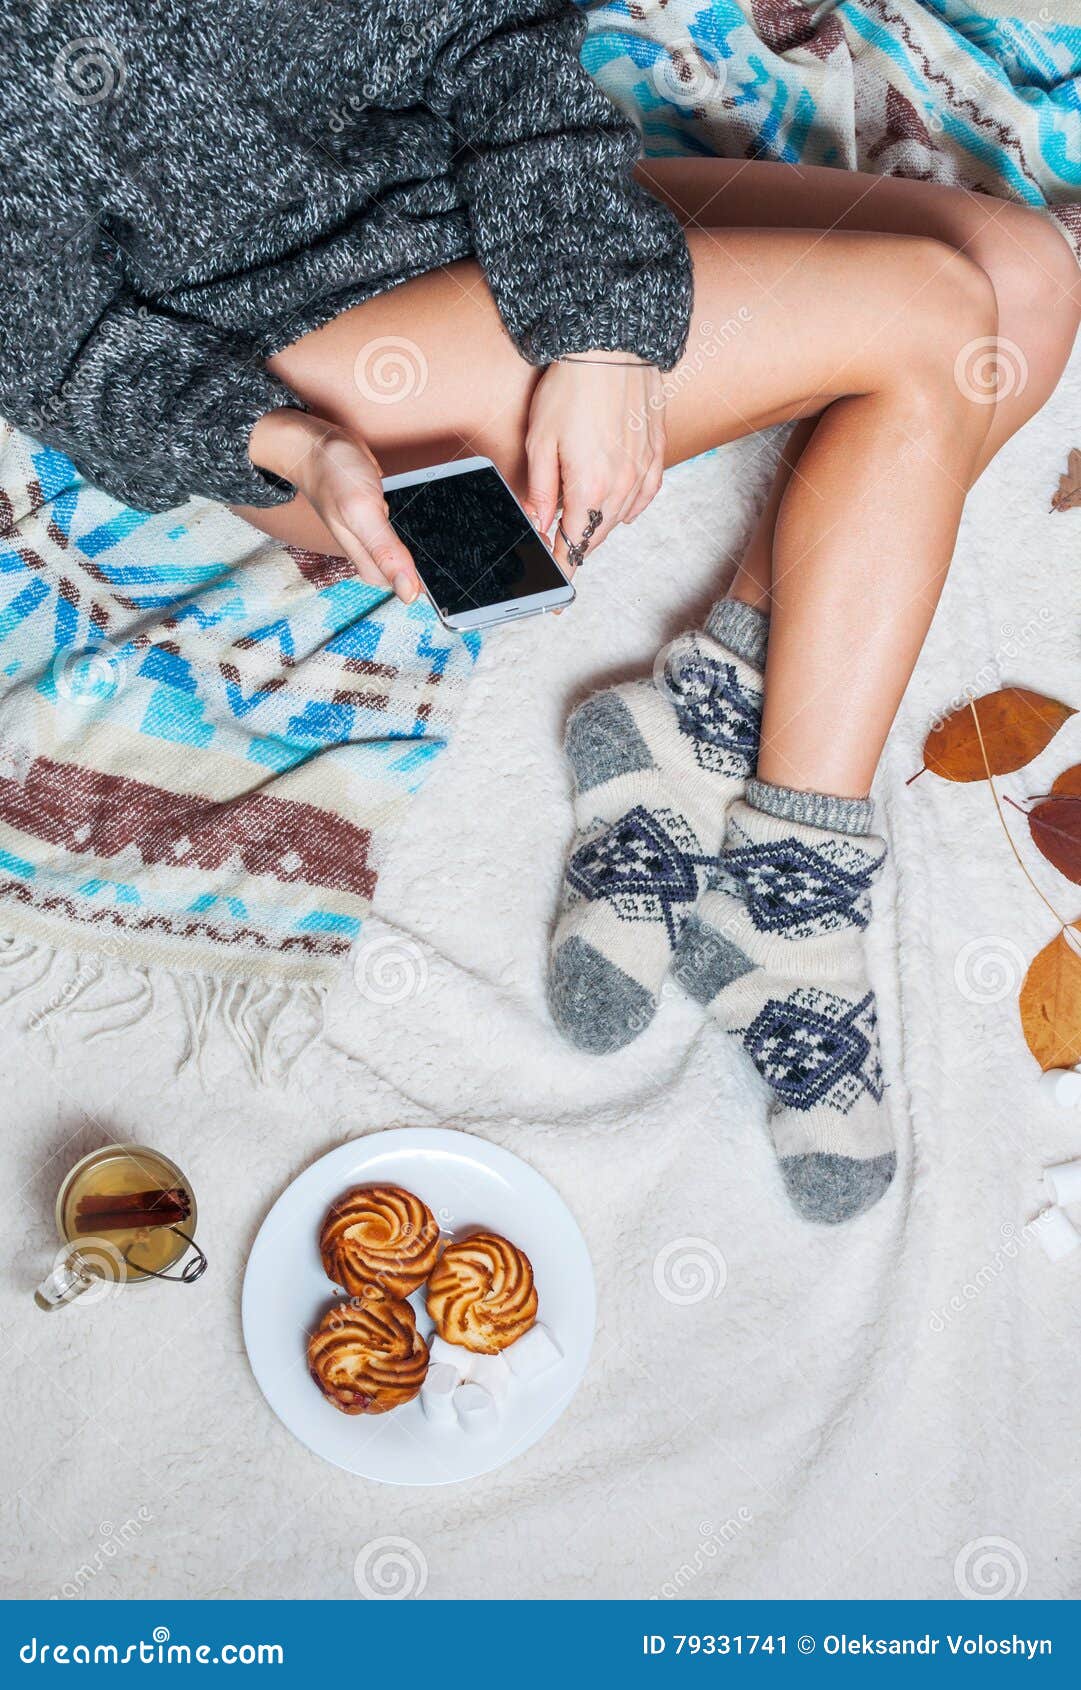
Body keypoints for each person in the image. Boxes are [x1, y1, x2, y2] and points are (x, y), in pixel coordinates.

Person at [3, 3, 1078, 1220]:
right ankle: (792, 886)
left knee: (1026, 282)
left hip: (480, 223)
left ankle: (700, 717)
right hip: (325, 387)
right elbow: (70, 360)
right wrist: (291, 447)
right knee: (932, 312)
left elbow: (494, 33)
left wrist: (599, 327)